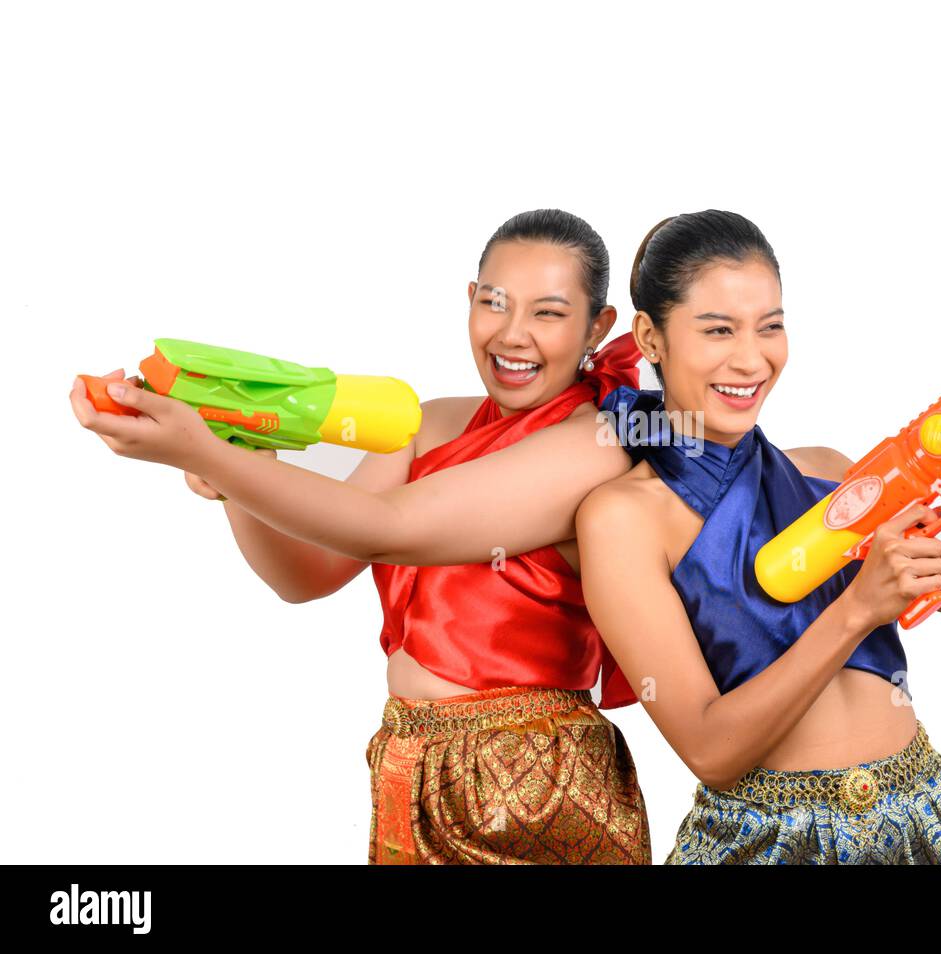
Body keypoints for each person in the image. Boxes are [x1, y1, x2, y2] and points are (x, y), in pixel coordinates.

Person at [69, 209, 653, 865]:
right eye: (494, 305)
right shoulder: (431, 423)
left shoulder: (596, 443)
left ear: (597, 327)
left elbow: (390, 531)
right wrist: (242, 458)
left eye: (548, 313)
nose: (512, 335)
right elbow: (305, 574)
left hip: (534, 782)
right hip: (407, 761)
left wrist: (210, 455)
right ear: (469, 302)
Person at [577, 210, 941, 864]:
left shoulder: (826, 471)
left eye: (771, 327)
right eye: (718, 330)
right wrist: (856, 611)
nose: (751, 357)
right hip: (768, 842)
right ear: (649, 335)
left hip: (926, 815)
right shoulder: (622, 518)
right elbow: (711, 750)